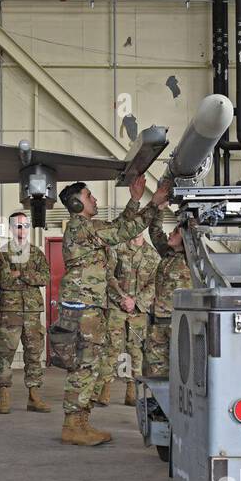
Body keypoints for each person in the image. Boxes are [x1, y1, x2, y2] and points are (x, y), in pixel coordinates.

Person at [56, 175, 168, 445]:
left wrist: (135, 200)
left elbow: (118, 226)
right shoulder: (80, 228)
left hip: (91, 304)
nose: (95, 199)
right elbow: (122, 232)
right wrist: (151, 204)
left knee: (91, 363)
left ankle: (80, 422)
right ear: (76, 203)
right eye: (89, 196)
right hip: (84, 306)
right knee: (84, 364)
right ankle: (73, 425)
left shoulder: (87, 228)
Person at [0, 211, 52, 415]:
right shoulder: (3, 253)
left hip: (33, 312)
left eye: (26, 226)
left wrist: (21, 273)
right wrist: (28, 276)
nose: (22, 230)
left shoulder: (37, 253)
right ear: (11, 228)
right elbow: (4, 281)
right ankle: (4, 395)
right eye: (18, 226)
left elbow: (45, 278)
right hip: (11, 311)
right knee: (5, 353)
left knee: (34, 354)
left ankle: (34, 396)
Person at [97, 233, 159, 407]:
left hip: (138, 310)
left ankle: (132, 390)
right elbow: (108, 275)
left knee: (136, 349)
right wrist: (122, 298)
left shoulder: (152, 255)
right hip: (117, 306)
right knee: (111, 347)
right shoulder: (117, 248)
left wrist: (136, 302)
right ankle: (105, 387)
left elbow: (154, 283)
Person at [143, 203, 194, 380]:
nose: (170, 234)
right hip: (158, 322)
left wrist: (188, 219)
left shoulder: (193, 260)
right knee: (156, 370)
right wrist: (160, 208)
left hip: (179, 323)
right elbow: (155, 231)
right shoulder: (168, 253)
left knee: (183, 370)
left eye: (175, 232)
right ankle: (160, 404)